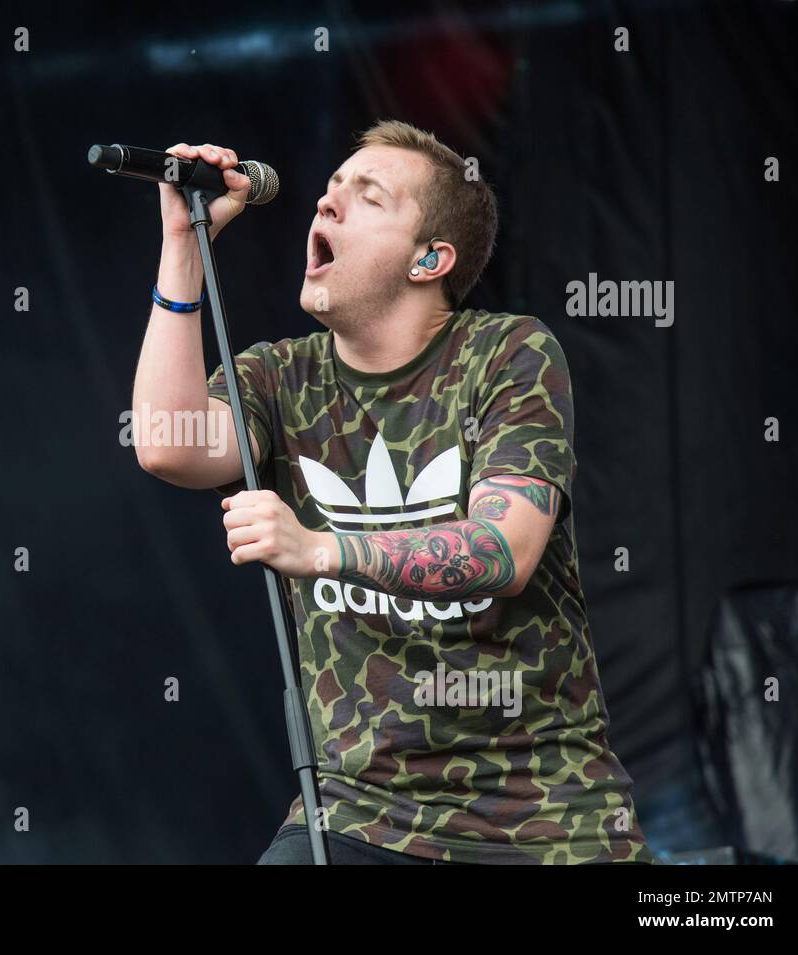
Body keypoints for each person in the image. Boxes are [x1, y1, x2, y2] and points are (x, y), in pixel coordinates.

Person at [131, 119, 653, 865]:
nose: (326, 206)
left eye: (366, 197)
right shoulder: (282, 377)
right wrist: (183, 244)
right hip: (357, 811)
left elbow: (504, 549)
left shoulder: (504, 354)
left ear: (430, 258)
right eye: (329, 190)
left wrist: (319, 549)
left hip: (544, 815)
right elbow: (168, 443)